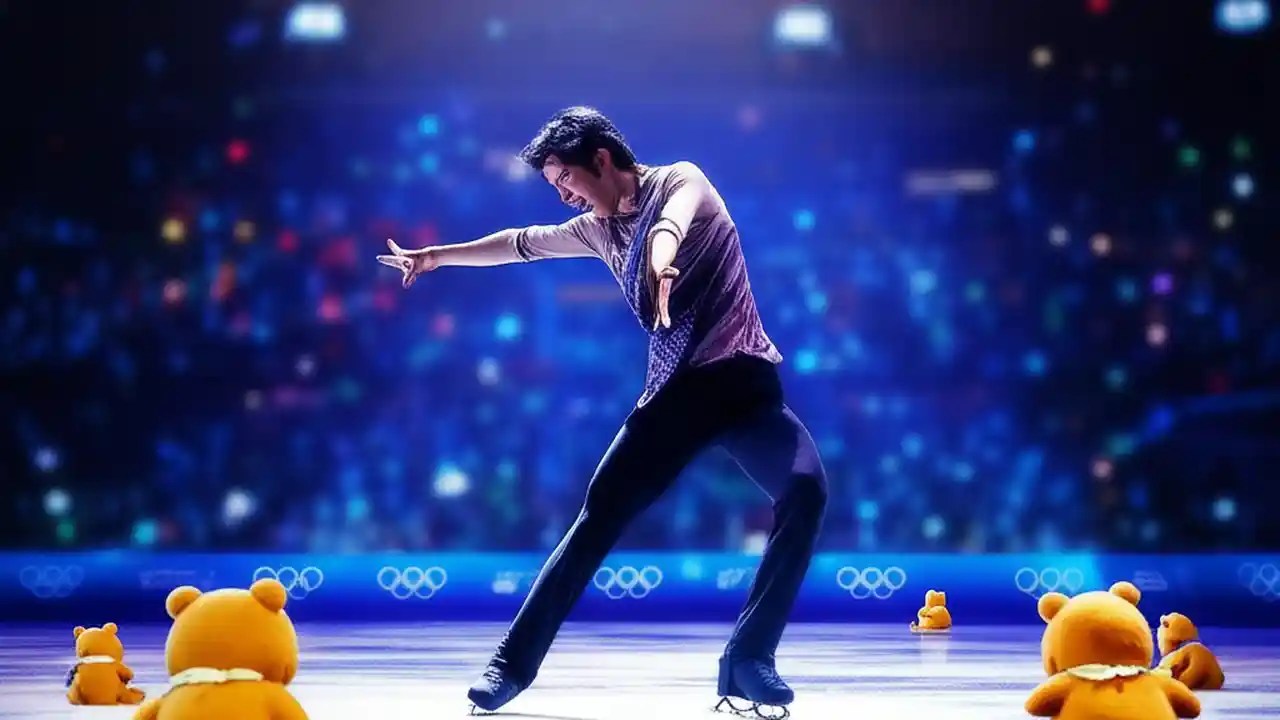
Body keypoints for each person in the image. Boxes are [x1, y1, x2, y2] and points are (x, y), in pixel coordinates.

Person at [377, 106, 828, 714]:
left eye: (565, 178)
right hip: (676, 400)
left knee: (806, 491)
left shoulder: (681, 179)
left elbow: (670, 220)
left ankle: (749, 659)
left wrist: (662, 258)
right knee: (597, 520)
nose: (562, 195)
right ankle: (510, 664)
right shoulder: (595, 228)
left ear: (603, 159)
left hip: (747, 385)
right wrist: (437, 256)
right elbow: (520, 244)